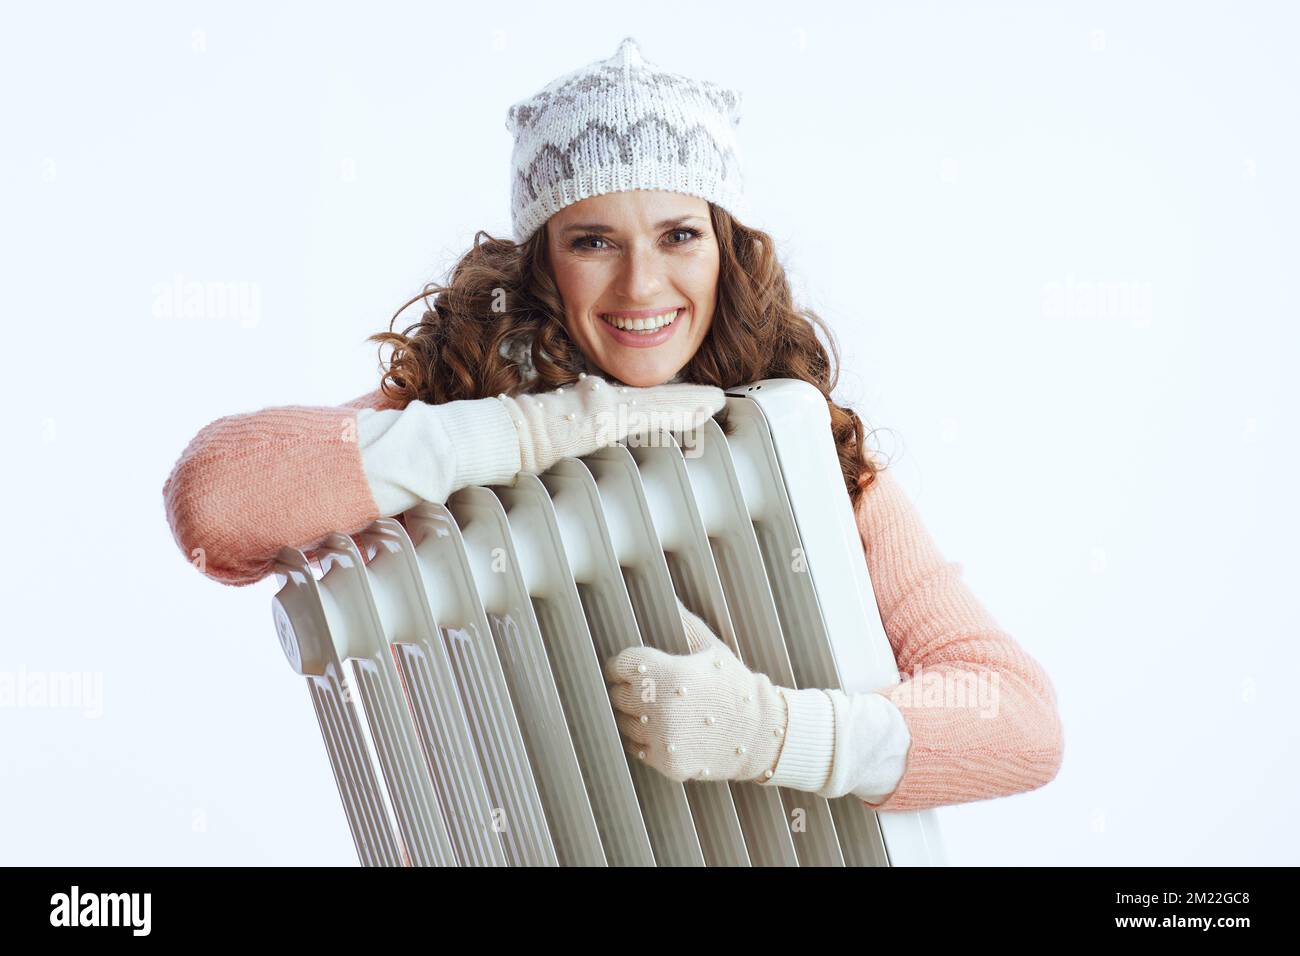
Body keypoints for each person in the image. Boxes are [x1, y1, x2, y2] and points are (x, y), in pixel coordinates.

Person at [162, 37, 1063, 815]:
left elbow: (1021, 720)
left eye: (678, 235)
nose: (641, 287)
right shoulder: (458, 416)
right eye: (594, 241)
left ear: (725, 248)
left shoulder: (801, 450)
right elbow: (212, 505)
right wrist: (528, 434)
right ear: (543, 262)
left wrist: (778, 734)